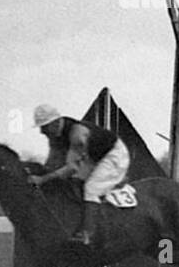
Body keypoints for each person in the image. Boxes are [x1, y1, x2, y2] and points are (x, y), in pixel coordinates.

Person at [28, 104, 130, 245]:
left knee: (91, 188)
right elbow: (52, 164)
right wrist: (44, 174)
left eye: (44, 127)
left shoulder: (77, 134)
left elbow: (72, 168)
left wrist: (42, 179)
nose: (41, 131)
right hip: (92, 157)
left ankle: (88, 233)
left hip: (113, 155)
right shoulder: (55, 136)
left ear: (56, 122)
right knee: (72, 183)